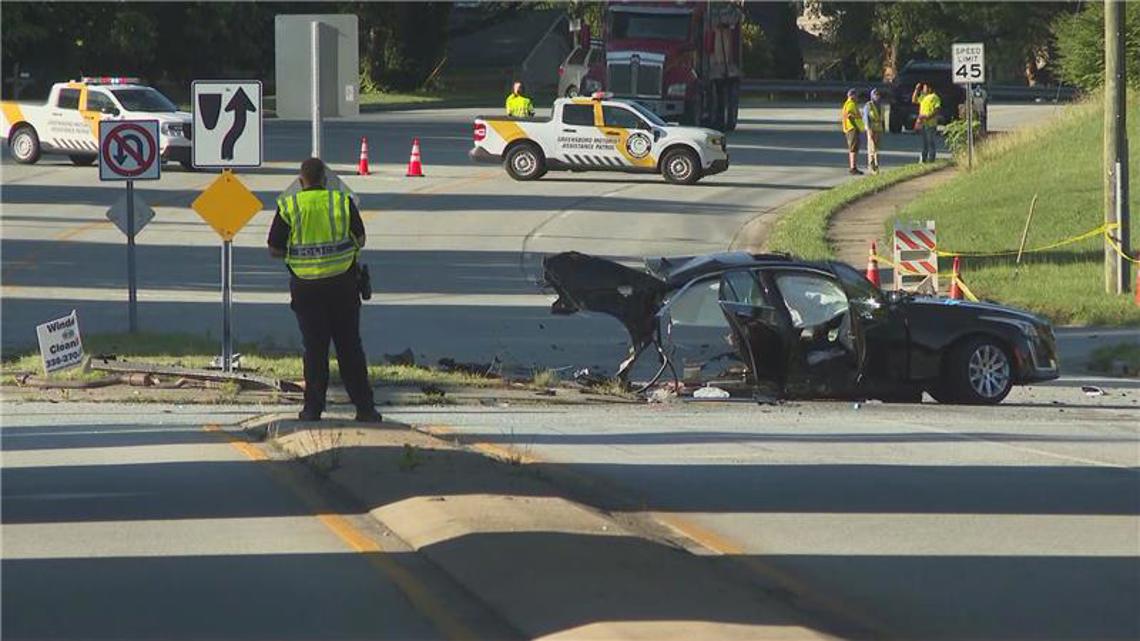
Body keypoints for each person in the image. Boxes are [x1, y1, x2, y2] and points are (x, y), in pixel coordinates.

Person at [267, 158, 382, 423]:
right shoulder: (341, 202)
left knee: (315, 350)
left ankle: (312, 410)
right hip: (342, 284)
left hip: (306, 287)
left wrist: (298, 253)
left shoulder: (289, 206)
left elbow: (274, 248)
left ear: (300, 181)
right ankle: (365, 408)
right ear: (325, 180)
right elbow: (361, 240)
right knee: (350, 347)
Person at [912, 83, 942, 163]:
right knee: (924, 142)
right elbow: (914, 100)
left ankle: (931, 159)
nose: (923, 90)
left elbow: (937, 109)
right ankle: (923, 159)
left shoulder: (935, 97)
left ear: (929, 88)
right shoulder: (923, 97)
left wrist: (928, 117)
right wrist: (916, 89)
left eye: (924, 88)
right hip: (923, 124)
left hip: (931, 124)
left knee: (930, 142)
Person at [841, 88, 864, 175]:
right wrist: (855, 126)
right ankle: (853, 167)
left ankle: (853, 167)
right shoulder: (851, 104)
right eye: (856, 95)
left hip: (850, 129)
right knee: (853, 149)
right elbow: (850, 116)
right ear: (852, 95)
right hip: (852, 129)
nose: (858, 97)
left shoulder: (849, 104)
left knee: (854, 148)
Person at [862, 88, 885, 174]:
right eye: (875, 95)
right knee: (872, 148)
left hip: (878, 129)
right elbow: (866, 118)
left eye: (878, 95)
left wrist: (883, 128)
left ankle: (877, 165)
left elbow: (882, 119)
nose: (877, 96)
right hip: (871, 129)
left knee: (878, 148)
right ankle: (872, 166)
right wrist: (869, 129)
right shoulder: (868, 105)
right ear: (872, 96)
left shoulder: (881, 106)